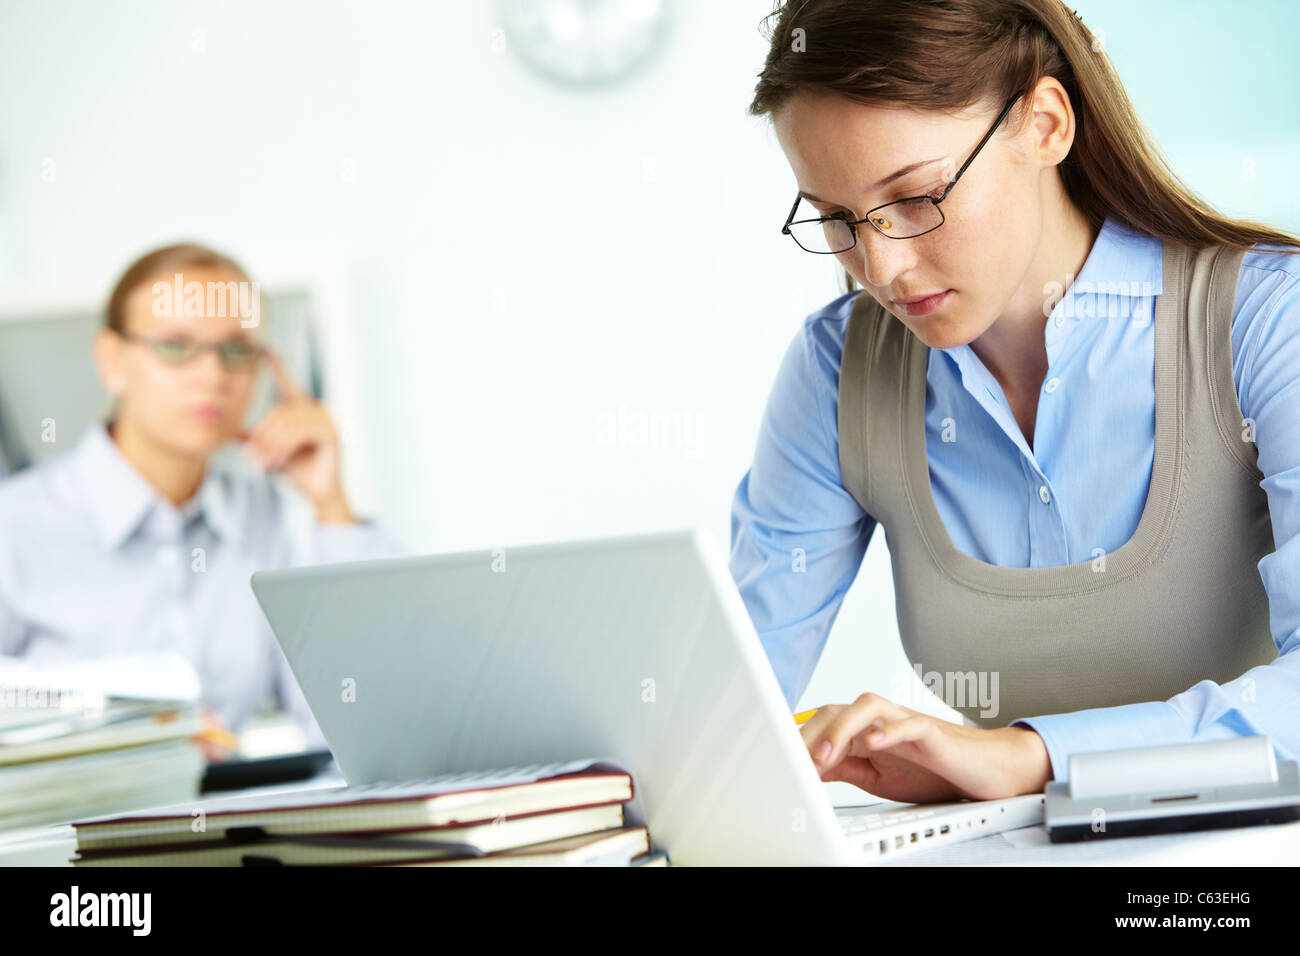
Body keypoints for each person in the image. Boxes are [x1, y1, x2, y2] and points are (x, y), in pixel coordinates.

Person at [731, 0, 1300, 803]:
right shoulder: (836, 371)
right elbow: (728, 697)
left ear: (1044, 125)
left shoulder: (1268, 321)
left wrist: (1029, 758)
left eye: (918, 196)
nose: (882, 267)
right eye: (837, 218)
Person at [0, 243, 399, 753]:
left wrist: (331, 506)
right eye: (175, 345)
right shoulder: (18, 525)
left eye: (236, 349)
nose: (213, 375)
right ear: (112, 360)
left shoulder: (262, 512)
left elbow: (361, 727)